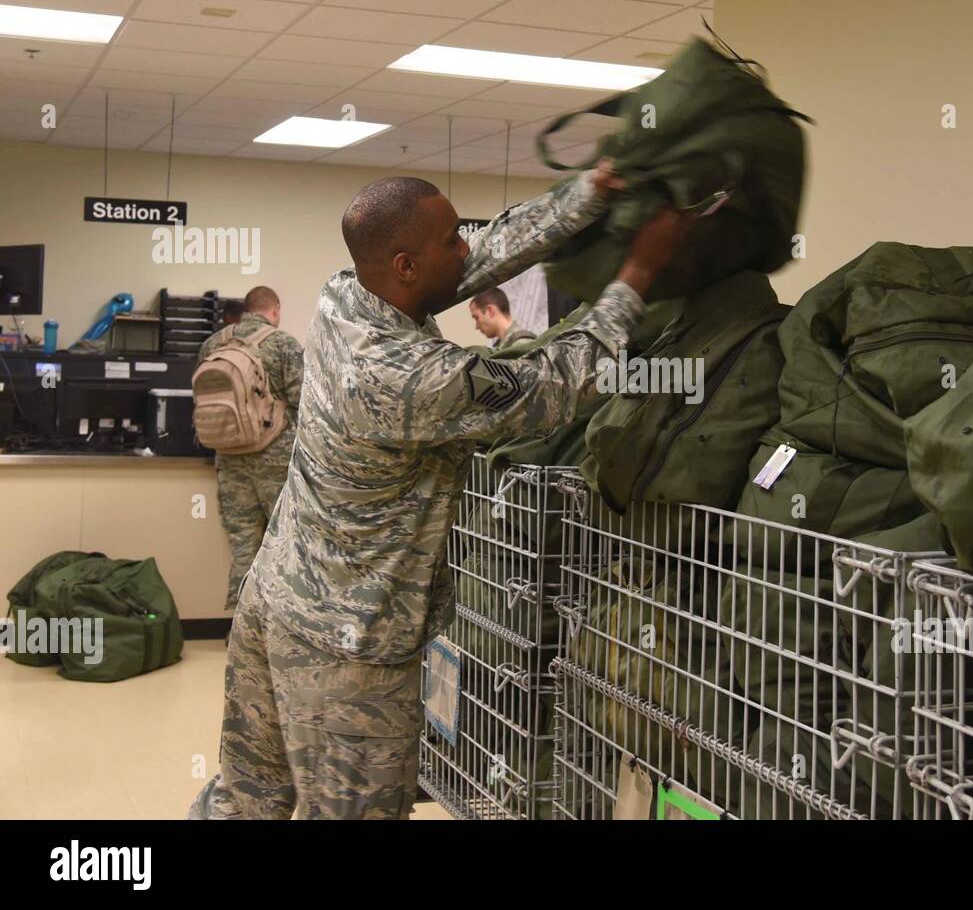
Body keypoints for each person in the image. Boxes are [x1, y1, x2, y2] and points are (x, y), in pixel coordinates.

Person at [190, 163, 691, 820]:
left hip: (276, 598)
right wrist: (639, 275)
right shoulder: (403, 380)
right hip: (346, 648)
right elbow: (558, 381)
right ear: (404, 265)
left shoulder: (347, 294)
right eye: (452, 238)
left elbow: (481, 256)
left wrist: (587, 193)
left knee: (244, 801)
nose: (467, 248)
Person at [197, 286, 304, 611]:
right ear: (275, 309)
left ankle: (242, 631)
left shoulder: (213, 343)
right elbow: (303, 401)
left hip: (229, 458)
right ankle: (279, 629)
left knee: (244, 545)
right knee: (284, 543)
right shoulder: (283, 343)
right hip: (276, 458)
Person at [469, 287, 536, 349]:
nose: (476, 326)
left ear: (490, 311)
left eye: (476, 318)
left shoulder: (522, 344)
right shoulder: (505, 346)